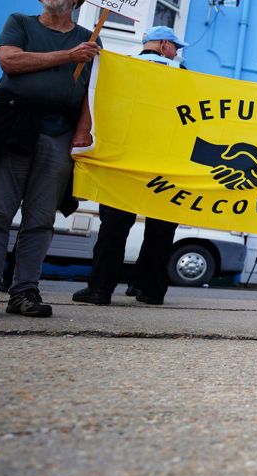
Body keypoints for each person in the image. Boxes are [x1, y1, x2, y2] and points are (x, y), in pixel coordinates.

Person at [0, 0, 100, 318]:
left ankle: (24, 291)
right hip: (15, 125)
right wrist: (69, 55)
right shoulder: (20, 22)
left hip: (59, 133)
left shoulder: (91, 38)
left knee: (40, 219)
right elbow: (11, 62)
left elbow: (92, 94)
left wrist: (82, 132)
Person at [71, 25, 186, 306]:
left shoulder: (120, 68)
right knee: (161, 228)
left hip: (122, 158)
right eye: (175, 47)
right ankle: (150, 289)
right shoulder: (185, 78)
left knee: (114, 225)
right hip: (165, 161)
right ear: (161, 46)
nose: (177, 52)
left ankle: (100, 288)